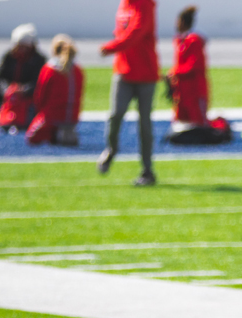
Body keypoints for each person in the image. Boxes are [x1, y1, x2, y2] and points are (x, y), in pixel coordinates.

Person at [99, 0, 160, 186]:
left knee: (144, 124)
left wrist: (111, 47)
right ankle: (112, 150)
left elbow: (137, 32)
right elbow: (121, 31)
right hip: (123, 71)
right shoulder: (124, 4)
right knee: (115, 114)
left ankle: (147, 170)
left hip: (146, 74)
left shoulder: (145, 4)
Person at [163, 6, 231, 145]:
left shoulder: (194, 41)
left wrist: (174, 72)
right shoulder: (179, 41)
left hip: (195, 89)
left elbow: (195, 66)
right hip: (182, 90)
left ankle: (221, 126)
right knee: (181, 121)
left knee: (199, 123)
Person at [0, 24, 47, 130]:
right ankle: (5, 116)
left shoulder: (39, 59)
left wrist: (23, 90)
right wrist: (7, 89)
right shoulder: (9, 56)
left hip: (29, 96)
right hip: (9, 94)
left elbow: (39, 82)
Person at [26, 35, 84, 147]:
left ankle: (53, 133)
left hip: (52, 116)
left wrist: (40, 114)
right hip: (73, 117)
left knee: (31, 138)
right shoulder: (78, 70)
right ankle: (65, 132)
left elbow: (40, 96)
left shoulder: (49, 69)